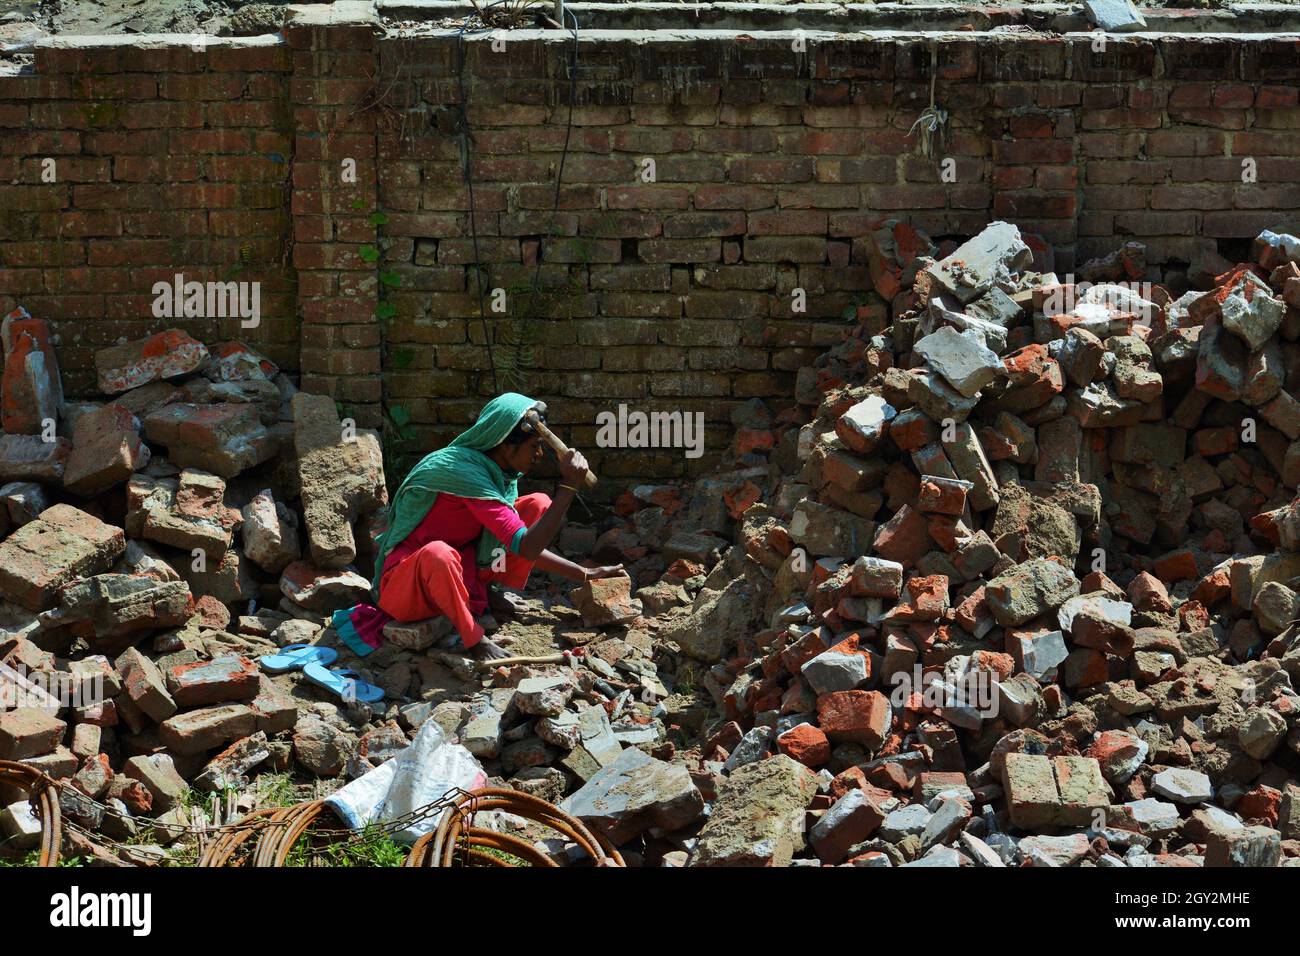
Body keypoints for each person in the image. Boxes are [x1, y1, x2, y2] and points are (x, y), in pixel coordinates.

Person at [358, 392, 623, 660]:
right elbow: (526, 547)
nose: (540, 454)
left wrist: (584, 574)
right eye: (534, 446)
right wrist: (568, 488)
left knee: (537, 504)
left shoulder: (496, 474)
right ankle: (473, 638)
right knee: (439, 553)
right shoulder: (463, 474)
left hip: (460, 567)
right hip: (408, 587)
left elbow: (517, 542)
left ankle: (484, 591)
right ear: (507, 446)